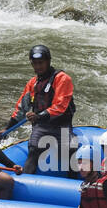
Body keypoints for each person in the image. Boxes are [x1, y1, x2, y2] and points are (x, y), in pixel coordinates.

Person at [7, 45, 76, 175]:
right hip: (42, 126)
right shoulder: (32, 83)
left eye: (41, 63)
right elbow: (21, 109)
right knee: (33, 151)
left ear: (48, 61)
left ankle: (76, 187)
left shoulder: (62, 79)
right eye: (35, 64)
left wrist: (39, 116)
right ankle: (26, 183)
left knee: (70, 153)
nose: (38, 67)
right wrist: (6, 128)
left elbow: (60, 106)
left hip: (62, 125)